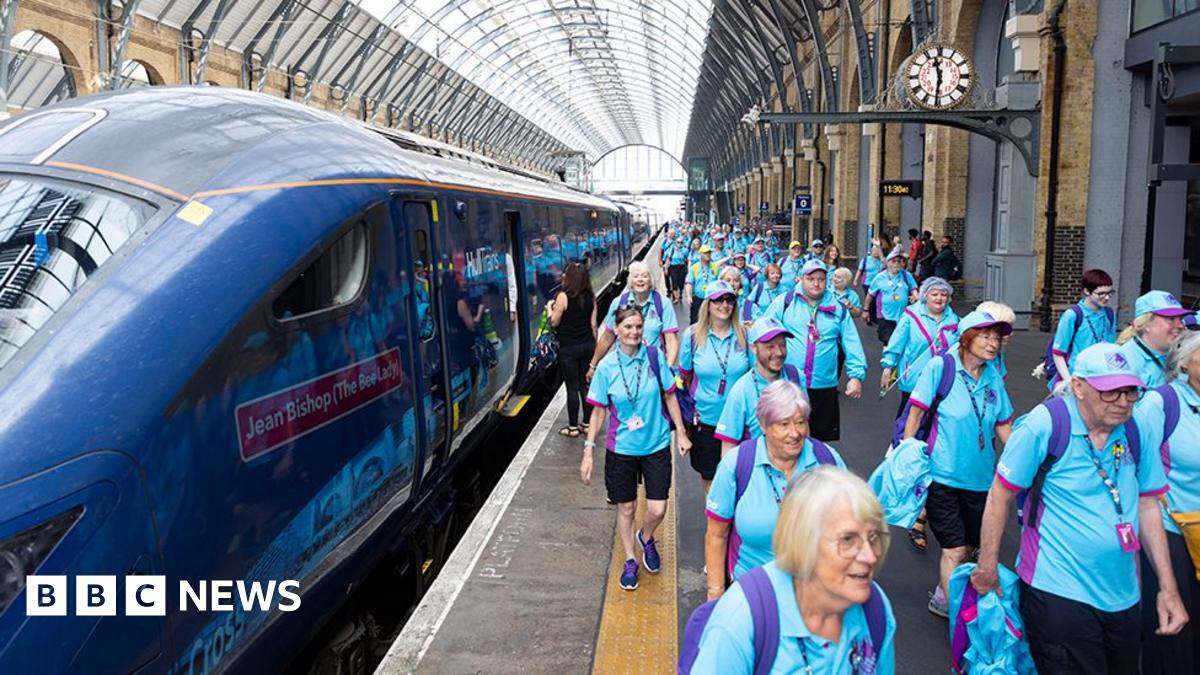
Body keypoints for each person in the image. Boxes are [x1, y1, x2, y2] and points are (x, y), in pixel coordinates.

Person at [971, 342, 1187, 674]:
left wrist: (1168, 588)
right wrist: (987, 565)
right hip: (1056, 589)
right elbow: (1000, 495)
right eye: (1110, 392)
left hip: (1125, 593)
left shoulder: (1137, 427)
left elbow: (1147, 504)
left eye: (1131, 392)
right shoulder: (1045, 425)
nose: (1122, 402)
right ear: (1078, 387)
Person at [690, 467, 896, 674]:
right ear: (804, 541)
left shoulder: (875, 607)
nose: (870, 556)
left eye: (873, 537)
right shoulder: (742, 620)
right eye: (848, 540)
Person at [902, 310, 1014, 618]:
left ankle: (942, 593)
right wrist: (910, 460)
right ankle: (958, 620)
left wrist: (1023, 461)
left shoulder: (993, 375)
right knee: (952, 548)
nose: (993, 344)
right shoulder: (942, 367)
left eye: (997, 338)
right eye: (985, 336)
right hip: (942, 477)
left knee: (968, 548)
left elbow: (1003, 424)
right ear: (966, 338)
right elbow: (916, 414)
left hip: (980, 480)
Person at [582, 305, 692, 591]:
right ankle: (631, 558)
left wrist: (680, 433)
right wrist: (588, 450)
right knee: (627, 507)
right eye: (628, 327)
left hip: (655, 443)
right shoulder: (606, 368)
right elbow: (598, 412)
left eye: (638, 327)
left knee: (657, 508)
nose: (633, 332)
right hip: (622, 449)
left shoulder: (654, 357)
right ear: (616, 330)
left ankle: (646, 535)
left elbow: (670, 397)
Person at [705, 380, 846, 592]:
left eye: (800, 422)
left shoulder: (827, 460)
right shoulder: (736, 465)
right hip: (752, 592)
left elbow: (849, 524)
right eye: (784, 424)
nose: (795, 433)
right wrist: (714, 595)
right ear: (763, 424)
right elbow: (716, 535)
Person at [1139, 331, 1200, 673]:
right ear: (1184, 362)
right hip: (1170, 529)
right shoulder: (1161, 403)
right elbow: (1136, 473)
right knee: (1174, 636)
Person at [765, 260, 866, 442]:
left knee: (819, 443)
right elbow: (765, 333)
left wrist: (856, 376)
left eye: (821, 279)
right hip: (790, 385)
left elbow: (852, 342)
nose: (816, 284)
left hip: (824, 386)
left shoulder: (838, 308)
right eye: (811, 279)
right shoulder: (785, 302)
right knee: (787, 438)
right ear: (802, 279)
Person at [679, 281, 751, 493]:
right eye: (718, 300)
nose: (724, 305)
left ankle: (735, 525)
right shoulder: (692, 336)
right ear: (708, 304)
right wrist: (685, 423)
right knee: (710, 478)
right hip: (706, 420)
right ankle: (716, 523)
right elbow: (684, 378)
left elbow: (756, 377)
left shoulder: (745, 335)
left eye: (729, 300)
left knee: (739, 477)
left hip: (740, 420)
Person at [716, 317, 806, 451]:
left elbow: (805, 424)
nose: (779, 353)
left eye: (782, 345)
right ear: (753, 348)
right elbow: (729, 446)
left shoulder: (797, 377)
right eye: (770, 347)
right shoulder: (741, 391)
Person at [880, 277, 959, 418]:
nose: (939, 298)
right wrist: (888, 367)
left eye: (944, 295)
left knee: (936, 419)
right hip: (914, 377)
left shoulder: (955, 320)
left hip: (942, 378)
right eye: (934, 294)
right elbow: (896, 343)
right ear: (925, 296)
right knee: (909, 418)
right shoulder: (911, 316)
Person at [590, 261, 679, 376]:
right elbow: (608, 337)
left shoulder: (662, 304)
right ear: (630, 281)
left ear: (650, 280)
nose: (640, 279)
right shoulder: (618, 303)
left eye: (644, 276)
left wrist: (667, 370)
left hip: (652, 369)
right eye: (636, 276)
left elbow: (671, 340)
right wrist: (593, 365)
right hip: (623, 369)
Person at [548, 262, 597, 437]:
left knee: (572, 387)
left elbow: (554, 322)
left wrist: (549, 309)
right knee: (586, 386)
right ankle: (586, 424)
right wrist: (594, 349)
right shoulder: (590, 296)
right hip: (587, 346)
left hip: (569, 348)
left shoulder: (563, 297)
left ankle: (573, 428)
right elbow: (593, 325)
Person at [1046, 269, 1117, 388]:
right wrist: (1069, 381)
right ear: (1086, 291)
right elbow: (1058, 353)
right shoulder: (1072, 315)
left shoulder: (1110, 314)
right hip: (1078, 376)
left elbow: (1111, 348)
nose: (1107, 298)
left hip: (1102, 376)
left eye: (1110, 293)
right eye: (1101, 293)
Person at [1118, 290, 1194, 389]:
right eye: (1170, 319)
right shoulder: (1127, 362)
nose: (1180, 325)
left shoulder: (1176, 355)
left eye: (1180, 319)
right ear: (1146, 324)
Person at [866, 250, 919, 344]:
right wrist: (865, 310)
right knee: (887, 341)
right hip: (884, 315)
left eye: (899, 261)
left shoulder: (906, 275)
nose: (897, 263)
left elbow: (913, 288)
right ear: (887, 263)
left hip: (903, 315)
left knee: (901, 341)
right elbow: (870, 294)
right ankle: (887, 358)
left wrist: (916, 298)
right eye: (893, 261)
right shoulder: (879, 277)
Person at [685, 246, 722, 325]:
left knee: (712, 320)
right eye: (705, 253)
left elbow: (719, 282)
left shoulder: (715, 267)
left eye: (709, 253)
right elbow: (689, 283)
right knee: (695, 320)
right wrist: (688, 295)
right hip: (698, 298)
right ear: (700, 254)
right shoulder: (694, 268)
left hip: (712, 299)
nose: (708, 255)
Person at [667, 235, 689, 303]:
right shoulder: (672, 249)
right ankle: (676, 298)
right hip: (673, 267)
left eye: (681, 242)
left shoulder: (685, 250)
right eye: (678, 242)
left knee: (681, 282)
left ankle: (680, 293)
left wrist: (688, 268)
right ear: (675, 243)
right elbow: (668, 258)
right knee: (674, 281)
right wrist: (665, 268)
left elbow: (687, 260)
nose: (679, 244)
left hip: (682, 267)